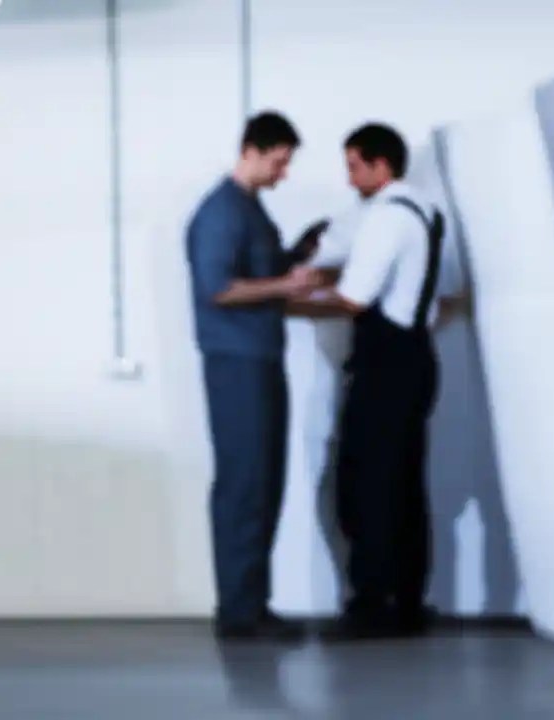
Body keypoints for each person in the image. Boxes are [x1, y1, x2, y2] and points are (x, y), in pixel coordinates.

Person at [289, 123, 449, 638]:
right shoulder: (424, 211)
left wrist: (284, 301)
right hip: (415, 359)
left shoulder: (384, 219)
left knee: (366, 483)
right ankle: (405, 601)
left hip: (387, 367)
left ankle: (371, 605)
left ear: (382, 166)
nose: (349, 176)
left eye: (355, 165)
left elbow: (355, 299)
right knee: (403, 484)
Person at [185, 111, 321, 641]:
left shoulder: (251, 212)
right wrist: (286, 285)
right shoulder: (220, 213)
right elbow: (218, 288)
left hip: (261, 360)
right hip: (236, 364)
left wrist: (297, 257)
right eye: (279, 163)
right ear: (253, 151)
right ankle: (239, 611)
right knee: (245, 484)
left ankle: (253, 604)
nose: (283, 174)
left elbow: (257, 274)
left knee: (264, 481)